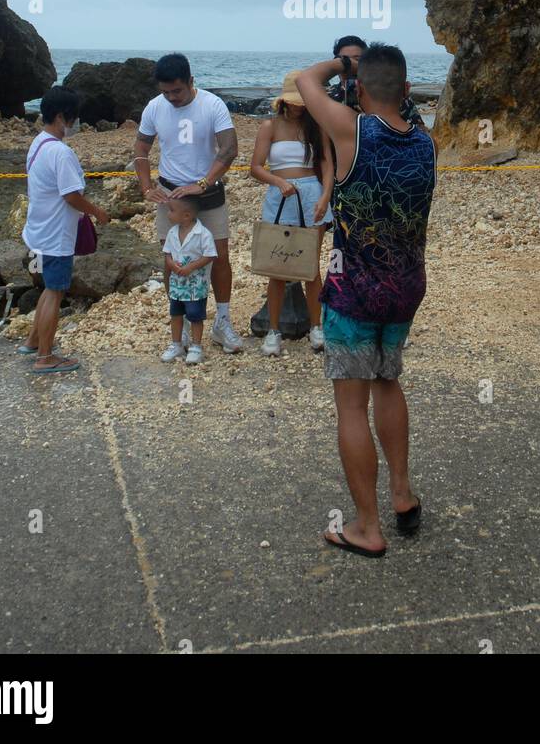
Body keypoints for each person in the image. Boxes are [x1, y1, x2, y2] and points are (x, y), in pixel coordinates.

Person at [296, 44, 437, 557]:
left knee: (351, 406)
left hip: (354, 290)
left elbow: (305, 79)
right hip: (406, 287)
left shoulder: (350, 130)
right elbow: (404, 114)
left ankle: (366, 527)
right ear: (405, 88)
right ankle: (402, 493)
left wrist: (342, 67)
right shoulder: (426, 142)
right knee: (389, 381)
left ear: (358, 90)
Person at [134, 53, 243, 355]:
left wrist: (204, 181)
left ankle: (222, 321)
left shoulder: (212, 105)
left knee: (220, 257)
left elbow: (230, 148)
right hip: (170, 196)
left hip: (208, 194)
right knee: (172, 258)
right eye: (165, 92)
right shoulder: (155, 107)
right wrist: (146, 186)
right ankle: (178, 330)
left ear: (191, 82)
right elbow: (141, 147)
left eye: (177, 91)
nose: (171, 98)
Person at [21, 87, 109, 374]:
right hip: (56, 234)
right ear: (61, 117)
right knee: (55, 291)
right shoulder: (61, 152)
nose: (75, 124)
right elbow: (71, 195)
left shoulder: (38, 143)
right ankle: (45, 356)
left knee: (48, 287)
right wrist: (96, 211)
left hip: (38, 229)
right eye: (73, 119)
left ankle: (34, 341)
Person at [249, 70, 334, 356]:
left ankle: (316, 326)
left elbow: (327, 165)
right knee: (277, 267)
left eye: (303, 101)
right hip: (281, 193)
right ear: (284, 100)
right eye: (296, 101)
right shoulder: (269, 126)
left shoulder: (316, 126)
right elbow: (256, 167)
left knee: (309, 266)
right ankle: (273, 331)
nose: (300, 106)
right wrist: (278, 181)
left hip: (311, 192)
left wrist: (325, 196)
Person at [160, 195, 218, 366]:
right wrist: (172, 265)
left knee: (195, 315)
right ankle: (176, 344)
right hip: (177, 284)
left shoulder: (203, 234)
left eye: (171, 210)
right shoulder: (172, 232)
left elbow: (210, 255)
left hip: (195, 285)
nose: (168, 214)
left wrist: (191, 267)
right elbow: (167, 253)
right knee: (176, 314)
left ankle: (196, 346)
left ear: (186, 215)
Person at [327, 35, 427, 129]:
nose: (351, 66)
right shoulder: (329, 96)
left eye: (357, 60)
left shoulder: (390, 97)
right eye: (345, 60)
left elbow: (420, 132)